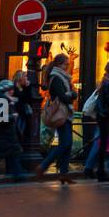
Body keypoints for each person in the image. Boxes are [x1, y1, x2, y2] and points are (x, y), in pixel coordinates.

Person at [35, 54, 76, 183]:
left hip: (65, 113)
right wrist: (73, 94)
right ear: (59, 64)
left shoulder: (62, 77)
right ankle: (44, 165)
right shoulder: (57, 78)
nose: (68, 66)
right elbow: (62, 96)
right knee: (65, 143)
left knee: (67, 144)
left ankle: (63, 173)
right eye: (66, 64)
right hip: (61, 113)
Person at [91, 60, 109, 182]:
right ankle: (102, 170)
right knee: (105, 142)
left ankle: (106, 168)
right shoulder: (108, 83)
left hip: (107, 114)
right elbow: (108, 99)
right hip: (104, 115)